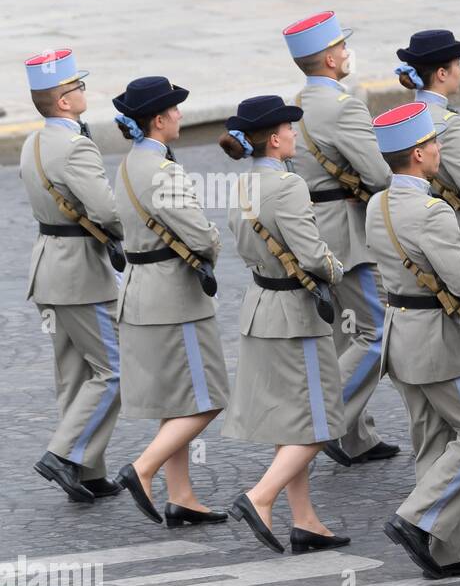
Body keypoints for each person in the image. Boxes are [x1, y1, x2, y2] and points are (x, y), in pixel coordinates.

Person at [365, 102, 460, 578]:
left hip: (400, 335)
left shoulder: (378, 204)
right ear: (419, 154)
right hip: (439, 340)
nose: (440, 149)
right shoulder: (431, 211)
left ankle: (446, 552)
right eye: (434, 144)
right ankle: (416, 518)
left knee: (433, 441)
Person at [220, 95, 348, 554]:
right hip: (296, 313)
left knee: (293, 420)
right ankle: (260, 496)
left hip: (261, 306)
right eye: (291, 130)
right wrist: (338, 269)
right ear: (274, 139)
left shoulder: (240, 185)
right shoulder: (288, 187)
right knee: (319, 421)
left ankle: (305, 520)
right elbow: (313, 256)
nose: (296, 135)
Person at [110, 77, 230, 528]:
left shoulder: (126, 166)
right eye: (176, 110)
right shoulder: (164, 170)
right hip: (174, 297)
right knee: (208, 397)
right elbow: (199, 236)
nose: (181, 114)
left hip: (141, 292)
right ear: (158, 120)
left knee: (176, 400)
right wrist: (214, 239)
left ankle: (182, 497)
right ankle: (142, 469)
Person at [285, 11, 397, 466]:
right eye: (343, 47)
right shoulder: (344, 105)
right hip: (349, 232)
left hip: (315, 225)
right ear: (330, 58)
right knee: (377, 331)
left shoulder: (299, 102)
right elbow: (378, 173)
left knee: (341, 333)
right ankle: (332, 422)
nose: (347, 53)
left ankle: (356, 437)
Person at [22, 50, 123, 505]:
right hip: (81, 273)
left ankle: (86, 469)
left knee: (75, 372)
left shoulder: (33, 142)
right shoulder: (76, 145)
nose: (84, 91)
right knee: (117, 369)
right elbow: (106, 210)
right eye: (78, 86)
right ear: (64, 101)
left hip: (49, 267)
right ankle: (64, 455)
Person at [395, 29, 460, 381]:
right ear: (441, 73)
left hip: (417, 239)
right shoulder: (449, 125)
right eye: (458, 65)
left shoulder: (406, 118)